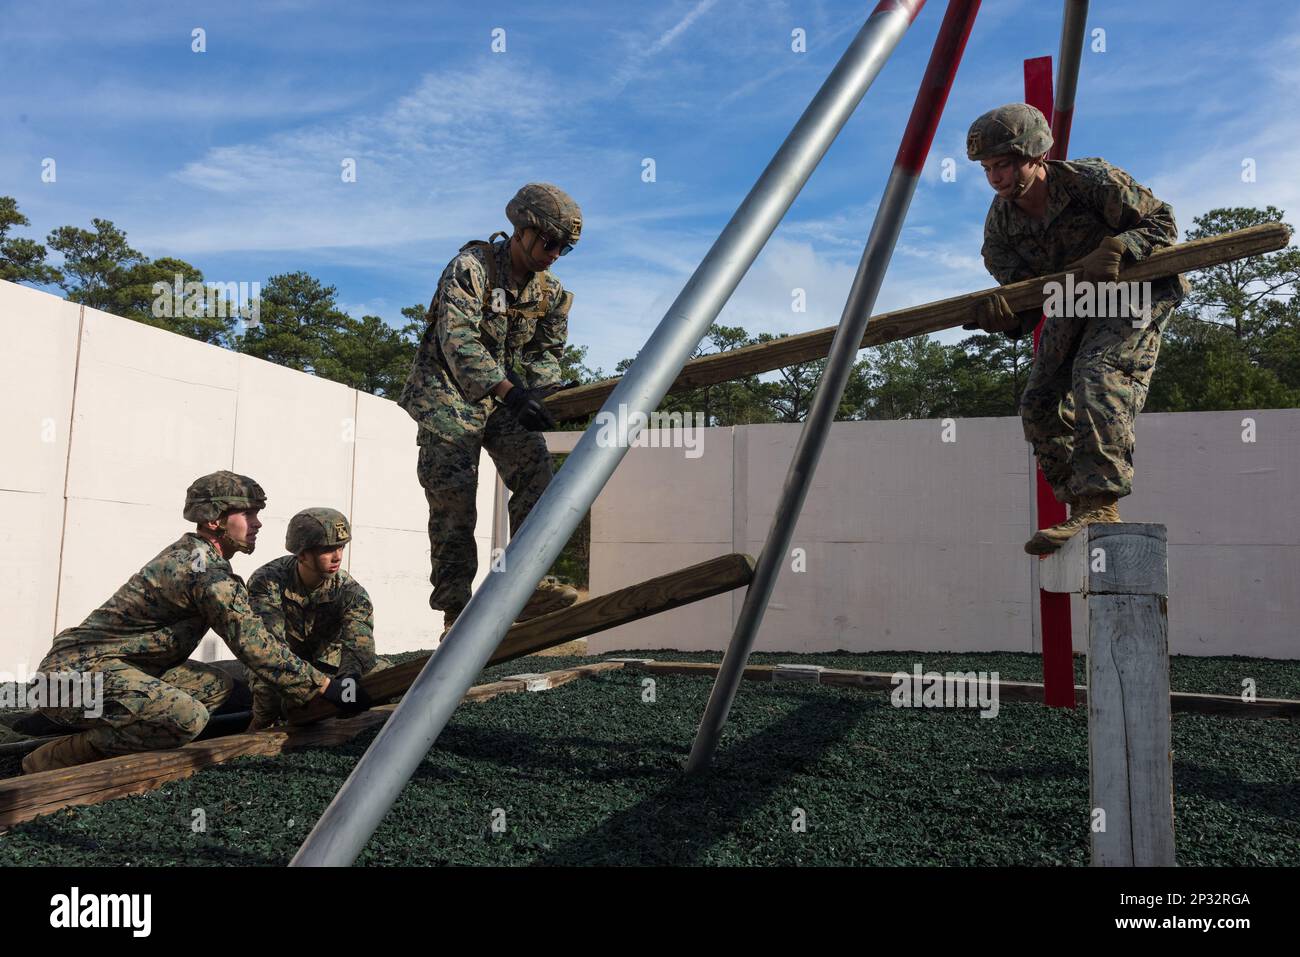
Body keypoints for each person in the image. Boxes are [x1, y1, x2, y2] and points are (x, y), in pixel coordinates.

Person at [21, 472, 365, 773]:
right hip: (72, 677)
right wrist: (327, 688)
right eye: (247, 514)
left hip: (114, 668)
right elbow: (256, 647)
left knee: (216, 688)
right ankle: (50, 759)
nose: (257, 523)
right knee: (186, 718)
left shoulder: (200, 558)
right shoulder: (205, 573)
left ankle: (100, 723)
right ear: (215, 520)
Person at [966, 103, 1189, 554]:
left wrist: (1121, 246)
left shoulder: (1090, 181)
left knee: (1097, 372)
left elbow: (1164, 223)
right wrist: (1005, 317)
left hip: (1136, 291)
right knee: (1039, 402)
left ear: (1035, 155)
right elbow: (1028, 302)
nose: (994, 178)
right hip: (1073, 302)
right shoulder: (1000, 229)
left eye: (1003, 164)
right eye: (987, 168)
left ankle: (1101, 502)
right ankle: (1081, 504)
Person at [398, 183, 582, 635]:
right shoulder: (471, 268)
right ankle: (455, 614)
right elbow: (457, 339)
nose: (554, 254)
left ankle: (526, 582)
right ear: (522, 230)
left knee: (539, 477)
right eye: (549, 243)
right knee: (455, 505)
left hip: (503, 400)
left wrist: (549, 395)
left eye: (564, 248)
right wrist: (511, 393)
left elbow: (544, 354)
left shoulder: (551, 294)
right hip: (447, 395)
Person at [245, 507, 389, 730]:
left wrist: (348, 679)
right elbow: (269, 646)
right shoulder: (267, 582)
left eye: (341, 547)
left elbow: (359, 642)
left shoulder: (350, 591)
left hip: (329, 664)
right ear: (302, 554)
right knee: (269, 694)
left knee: (385, 676)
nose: (337, 556)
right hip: (283, 662)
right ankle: (257, 731)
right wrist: (318, 684)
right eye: (327, 549)